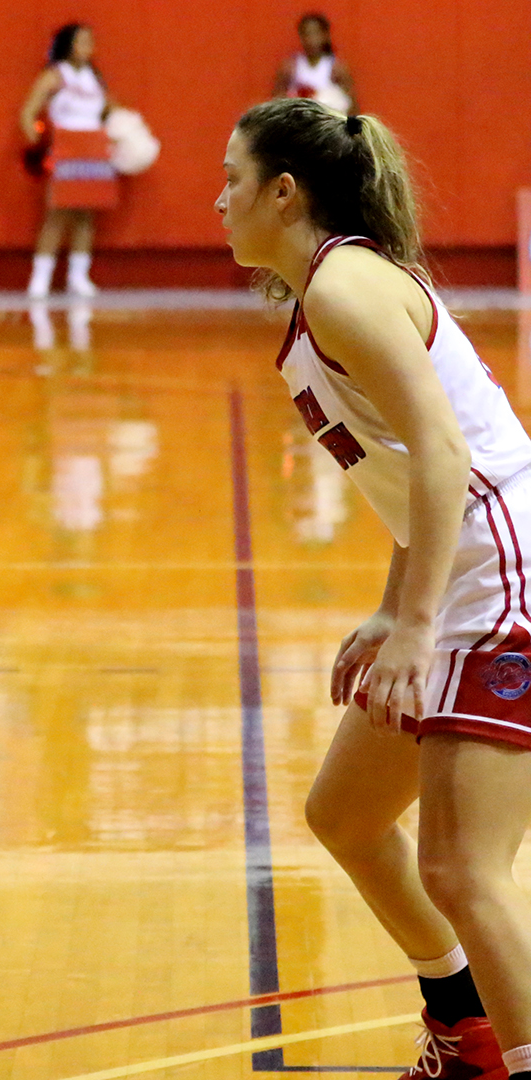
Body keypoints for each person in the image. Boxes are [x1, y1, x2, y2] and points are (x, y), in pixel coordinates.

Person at [220, 96, 531, 1080]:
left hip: (505, 574)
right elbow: (415, 472)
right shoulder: (331, 289)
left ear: (283, 191)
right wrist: (397, 608)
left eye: (231, 179)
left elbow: (447, 456)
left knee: (464, 868)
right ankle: (466, 1033)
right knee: (347, 816)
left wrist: (417, 624)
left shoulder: (346, 289)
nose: (217, 201)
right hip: (462, 568)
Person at [19, 23, 123, 298]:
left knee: (86, 214)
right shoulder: (55, 75)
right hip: (65, 149)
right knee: (58, 213)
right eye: (82, 41)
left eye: (91, 41)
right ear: (68, 44)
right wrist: (38, 145)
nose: (88, 46)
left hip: (93, 150)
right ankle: (40, 278)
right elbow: (28, 112)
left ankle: (78, 277)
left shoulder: (94, 78)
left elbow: (111, 111)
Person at [275, 13, 355, 115]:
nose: (311, 39)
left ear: (325, 35)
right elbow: (277, 100)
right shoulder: (290, 67)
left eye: (316, 33)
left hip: (327, 119)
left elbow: (351, 101)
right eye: (307, 34)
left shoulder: (336, 68)